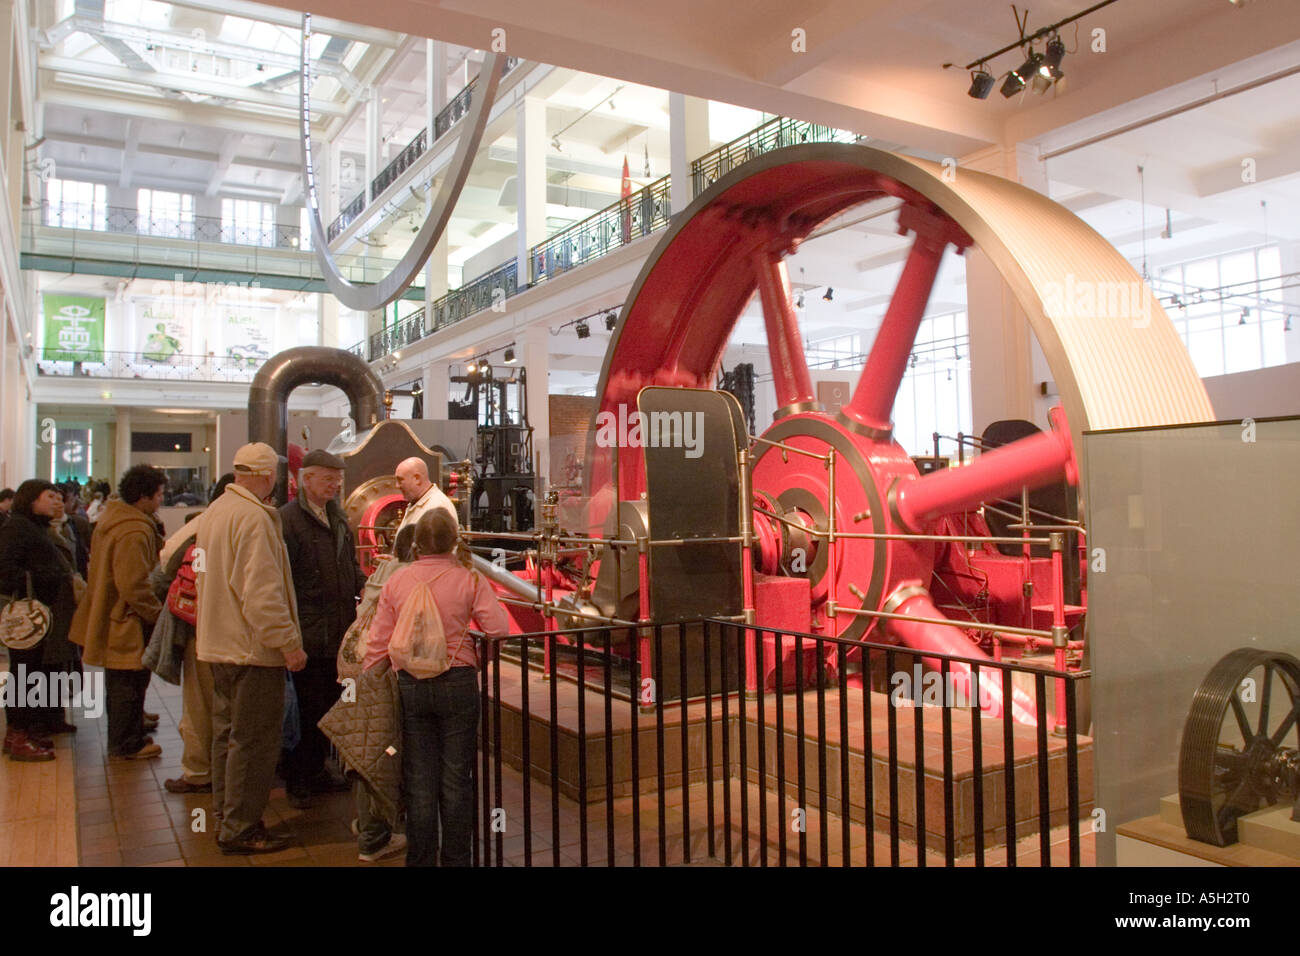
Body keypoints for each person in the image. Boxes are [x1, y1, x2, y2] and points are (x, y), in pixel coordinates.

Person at [364, 509, 509, 866]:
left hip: (410, 683)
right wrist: (480, 657)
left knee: (418, 776)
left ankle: (421, 858)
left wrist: (369, 682)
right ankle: (457, 858)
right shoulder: (468, 579)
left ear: (416, 545)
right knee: (457, 777)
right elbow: (498, 629)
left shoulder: (398, 581)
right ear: (454, 542)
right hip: (457, 681)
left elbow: (378, 641)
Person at [196, 443, 306, 855]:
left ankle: (227, 816)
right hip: (251, 649)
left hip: (217, 646)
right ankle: (242, 828)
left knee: (226, 736)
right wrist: (288, 644)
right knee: (256, 740)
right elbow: (261, 595)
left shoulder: (215, 512)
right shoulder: (255, 518)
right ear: (267, 476)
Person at [279, 449, 365, 809]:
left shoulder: (337, 517)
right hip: (309, 634)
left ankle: (316, 771)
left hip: (336, 632)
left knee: (326, 706)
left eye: (338, 478)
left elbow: (348, 565)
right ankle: (299, 777)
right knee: (305, 709)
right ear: (306, 480)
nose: (336, 484)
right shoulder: (288, 521)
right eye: (328, 478)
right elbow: (282, 581)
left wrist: (368, 586)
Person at [69, 466, 167, 760]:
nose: (161, 500)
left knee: (123, 680)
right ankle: (127, 742)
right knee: (128, 680)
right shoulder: (133, 531)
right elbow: (133, 583)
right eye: (159, 494)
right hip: (125, 619)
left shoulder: (114, 519)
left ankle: (130, 728)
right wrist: (156, 612)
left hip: (110, 612)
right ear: (143, 497)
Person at [158, 472, 233, 795]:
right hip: (212, 629)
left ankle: (202, 769)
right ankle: (204, 771)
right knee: (214, 703)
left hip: (196, 626)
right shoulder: (230, 523)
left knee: (201, 703)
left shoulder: (202, 522)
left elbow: (163, 568)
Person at [0, 480, 83, 761]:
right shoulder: (17, 528)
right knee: (23, 674)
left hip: (41, 614)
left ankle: (28, 729)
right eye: (49, 496)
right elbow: (7, 570)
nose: (55, 501)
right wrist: (38, 580)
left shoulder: (34, 527)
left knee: (33, 672)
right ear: (31, 500)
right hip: (27, 616)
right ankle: (18, 734)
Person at [393, 457, 458, 536]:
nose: (397, 486)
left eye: (400, 480)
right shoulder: (416, 502)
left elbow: (437, 547)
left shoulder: (438, 506)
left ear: (417, 479)